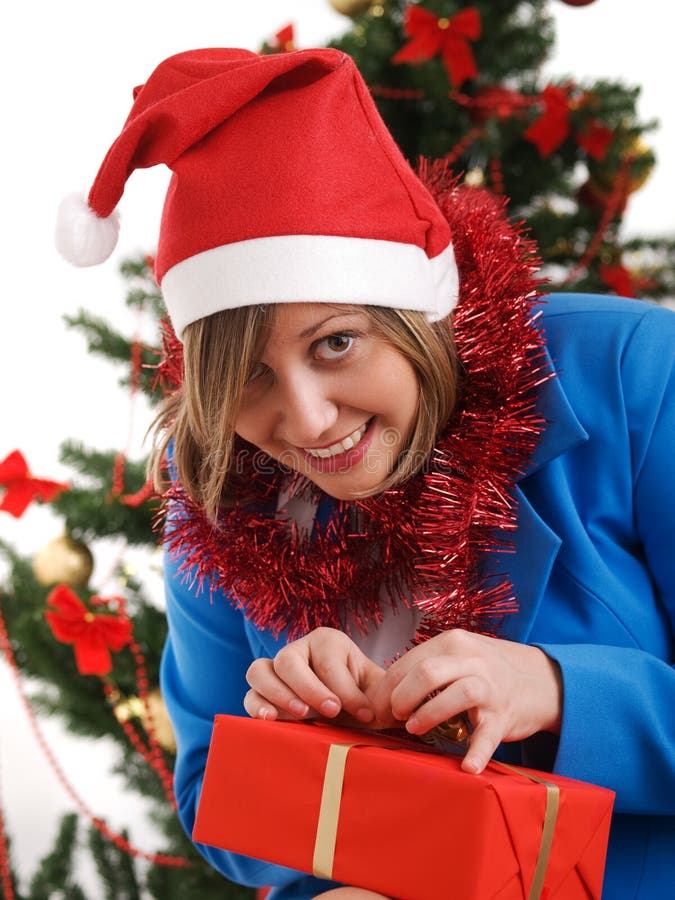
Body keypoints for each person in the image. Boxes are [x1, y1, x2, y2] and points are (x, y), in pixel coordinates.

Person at [55, 47, 675, 900]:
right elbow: (212, 807)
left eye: (335, 343)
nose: (305, 421)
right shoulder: (222, 501)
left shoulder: (632, 376)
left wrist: (561, 692)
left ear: (413, 308)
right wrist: (316, 751)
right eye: (249, 376)